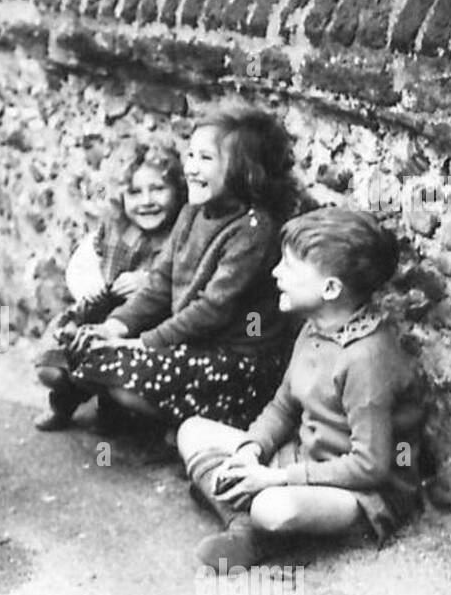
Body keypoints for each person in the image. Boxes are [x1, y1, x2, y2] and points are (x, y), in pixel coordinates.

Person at [176, 207, 424, 573]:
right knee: (192, 430)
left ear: (330, 289)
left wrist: (274, 478)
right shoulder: (313, 329)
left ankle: (250, 524)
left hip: (360, 492)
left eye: (289, 266)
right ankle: (245, 517)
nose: (276, 272)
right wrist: (251, 450)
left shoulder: (367, 359)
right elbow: (282, 407)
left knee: (272, 508)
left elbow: (370, 466)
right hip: (303, 461)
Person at [66, 107, 298, 439]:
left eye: (205, 158)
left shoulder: (253, 229)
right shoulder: (191, 213)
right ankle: (176, 418)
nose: (190, 168)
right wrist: (114, 326)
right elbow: (159, 284)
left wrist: (143, 344)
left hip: (236, 360)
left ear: (246, 171)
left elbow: (212, 309)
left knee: (117, 371)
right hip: (191, 345)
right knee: (84, 344)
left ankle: (211, 421)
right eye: (190, 155)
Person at [33, 153, 185, 431]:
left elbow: (186, 283)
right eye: (135, 192)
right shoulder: (114, 226)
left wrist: (149, 281)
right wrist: (93, 291)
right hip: (101, 313)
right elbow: (84, 265)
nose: (147, 201)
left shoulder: (181, 234)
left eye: (158, 189)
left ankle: (112, 407)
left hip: (145, 326)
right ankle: (64, 402)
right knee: (52, 366)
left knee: (114, 371)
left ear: (178, 189)